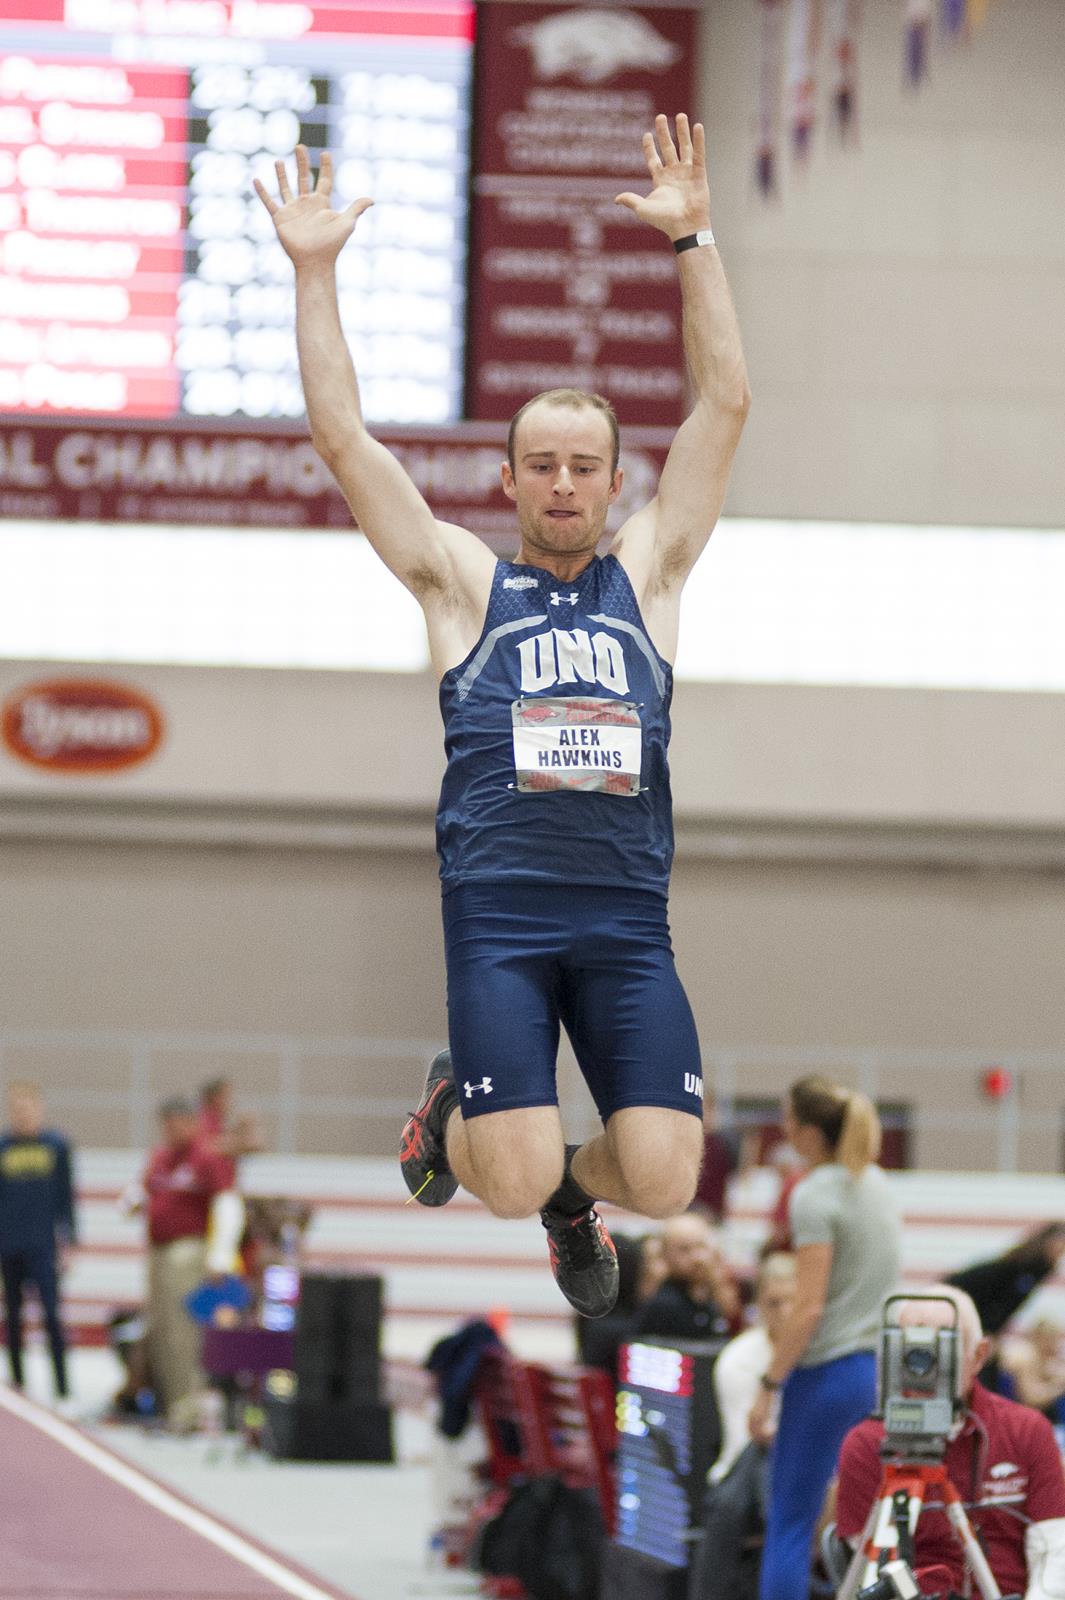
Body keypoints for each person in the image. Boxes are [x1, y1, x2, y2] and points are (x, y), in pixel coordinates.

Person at [256, 113, 750, 1319]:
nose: (567, 482)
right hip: (503, 923)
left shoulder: (655, 576)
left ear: (615, 477)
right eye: (544, 464)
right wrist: (316, 274)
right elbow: (342, 439)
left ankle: (576, 1201)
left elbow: (725, 405)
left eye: (587, 463)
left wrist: (694, 238)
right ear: (511, 478)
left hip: (629, 925)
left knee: (668, 1175)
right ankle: (481, 1135)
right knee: (507, 1170)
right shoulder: (463, 584)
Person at [747, 1074, 901, 1600]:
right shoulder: (878, 1184)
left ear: (807, 1131)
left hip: (828, 1373)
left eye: (788, 1118)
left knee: (791, 1522)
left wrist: (769, 1383)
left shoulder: (813, 1193)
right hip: (876, 1372)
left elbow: (808, 1307)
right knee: (869, 1523)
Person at [836, 1286, 1065, 1600]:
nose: (923, 1365)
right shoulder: (868, 1444)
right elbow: (874, 1574)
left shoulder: (1026, 1430)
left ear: (979, 1355)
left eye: (941, 1347)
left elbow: (1054, 1551)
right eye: (910, 1348)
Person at [141, 1097, 237, 1427]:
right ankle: (170, 1405)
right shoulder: (161, 1158)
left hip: (188, 1251)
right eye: (166, 1124)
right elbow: (145, 1192)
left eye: (178, 1123)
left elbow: (226, 1203)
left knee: (184, 1332)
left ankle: (188, 1408)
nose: (171, 1130)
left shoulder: (205, 1157)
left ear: (191, 1123)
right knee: (161, 1331)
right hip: (158, 1250)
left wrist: (220, 1255)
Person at [0, 1082, 76, 1402]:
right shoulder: (3, 1146)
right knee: (13, 1316)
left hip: (43, 1245)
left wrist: (68, 1240)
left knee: (52, 1315)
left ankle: (62, 1387)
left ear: (39, 1109)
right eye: (17, 1109)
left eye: (28, 1108)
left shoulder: (56, 1145)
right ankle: (18, 1381)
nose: (23, 1115)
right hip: (9, 1244)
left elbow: (66, 1197)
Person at [711, 1252, 797, 1484]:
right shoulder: (739, 1358)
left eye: (793, 1301)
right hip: (746, 1478)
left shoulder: (822, 1355)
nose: (785, 1312)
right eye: (774, 1302)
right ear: (758, 1303)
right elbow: (745, 1439)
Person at [633, 1212, 741, 1342]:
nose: (698, 1258)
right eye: (684, 1249)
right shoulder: (663, 1306)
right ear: (664, 1254)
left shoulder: (710, 1297)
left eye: (702, 1246)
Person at [692, 1091, 743, 1222]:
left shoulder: (722, 1143)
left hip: (712, 1212)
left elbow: (739, 1174)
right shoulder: (688, 1142)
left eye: (706, 1109)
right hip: (692, 1209)